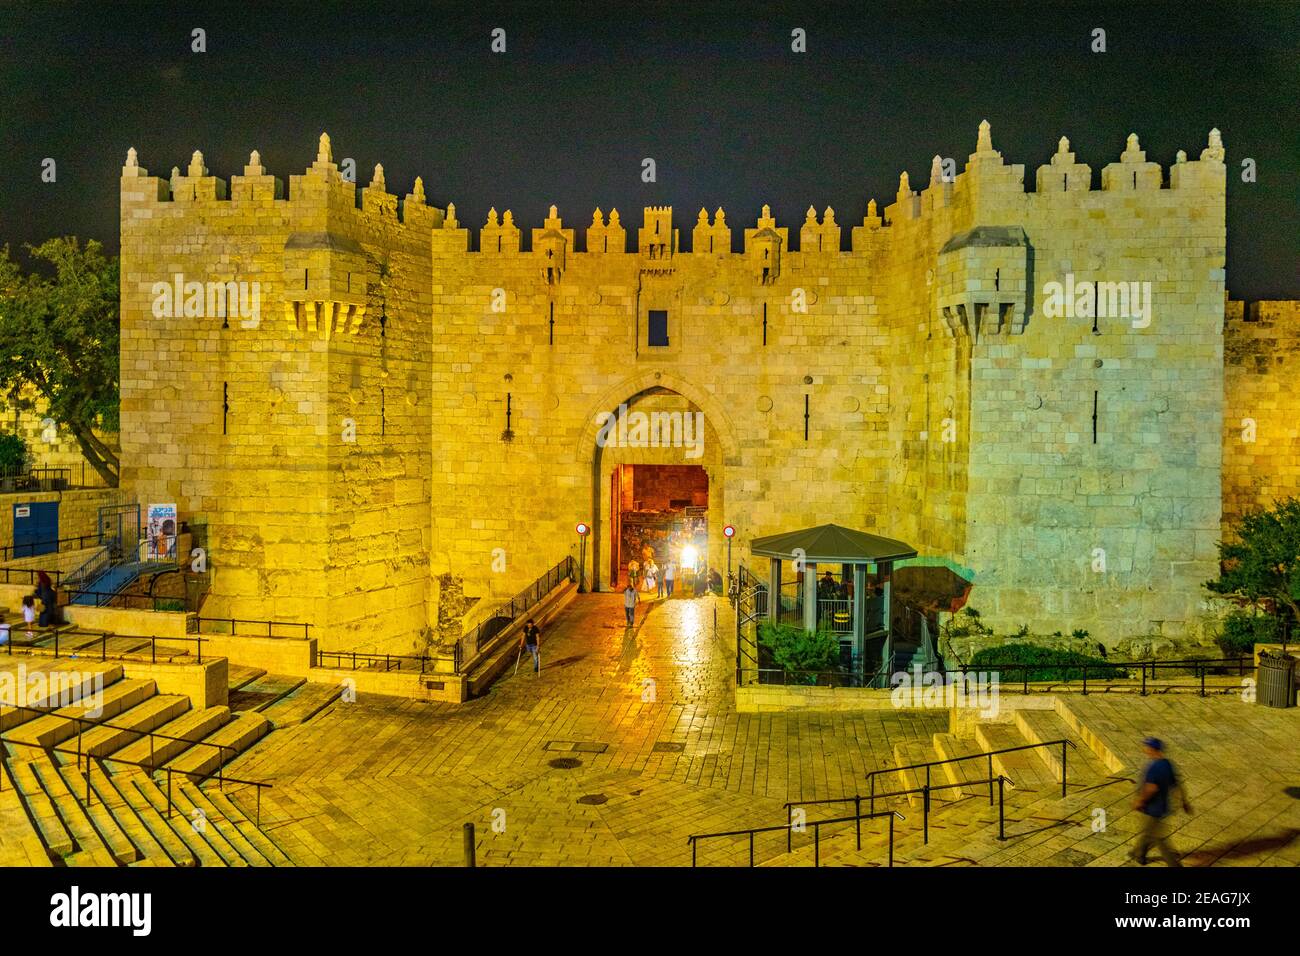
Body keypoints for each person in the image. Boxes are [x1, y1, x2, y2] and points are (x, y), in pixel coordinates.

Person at [1130, 737, 1192, 867]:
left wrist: (1140, 801)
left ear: (1152, 749)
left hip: (1153, 807)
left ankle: (1174, 865)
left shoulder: (1154, 768)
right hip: (1163, 806)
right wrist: (1184, 802)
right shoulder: (1167, 764)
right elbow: (1176, 785)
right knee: (1148, 831)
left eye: (1147, 747)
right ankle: (1138, 853)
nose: (1144, 749)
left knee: (1160, 839)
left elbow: (1151, 788)